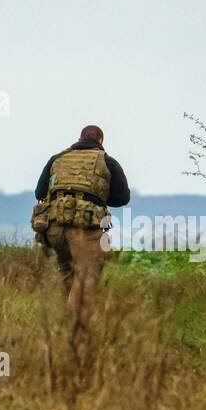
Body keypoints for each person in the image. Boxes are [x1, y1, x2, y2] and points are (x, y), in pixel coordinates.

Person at [33, 125, 131, 313]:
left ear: (79, 138)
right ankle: (73, 323)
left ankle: (62, 324)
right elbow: (122, 198)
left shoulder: (57, 158)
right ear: (100, 141)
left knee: (66, 272)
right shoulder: (107, 161)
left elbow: (39, 192)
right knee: (88, 275)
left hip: (53, 228)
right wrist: (96, 196)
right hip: (84, 227)